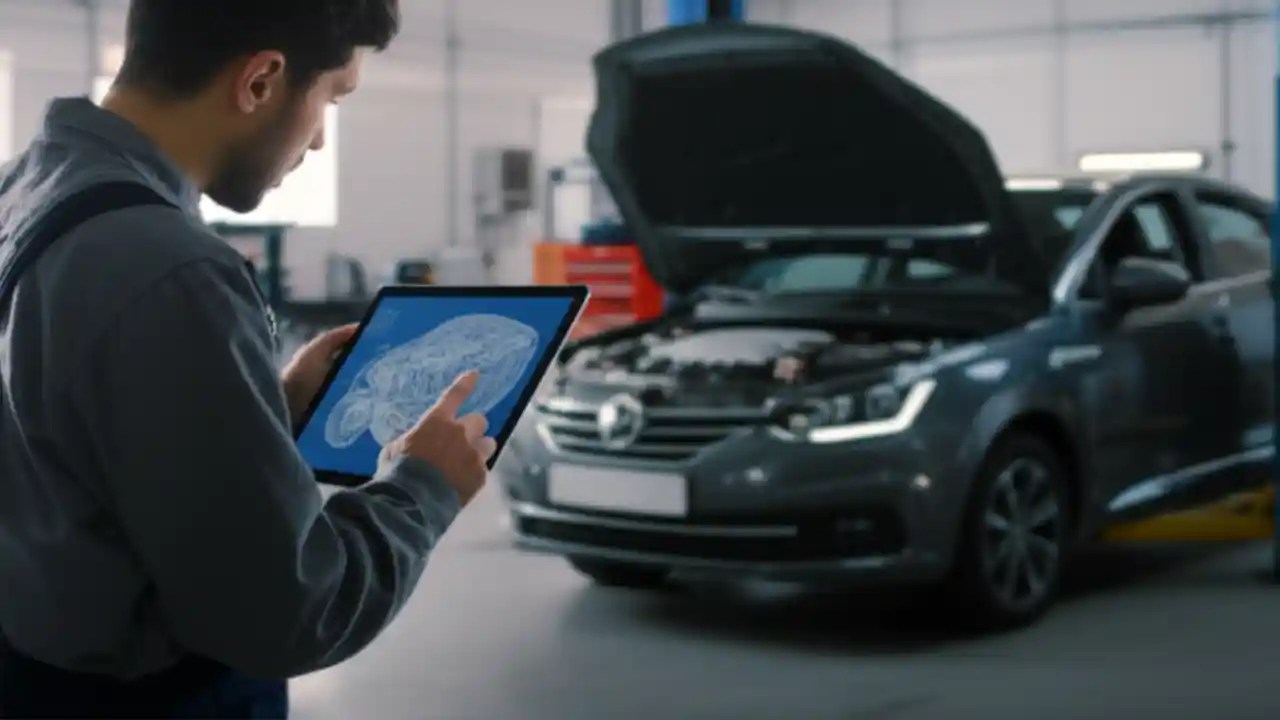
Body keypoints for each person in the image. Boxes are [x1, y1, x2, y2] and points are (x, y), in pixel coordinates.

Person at [0, 1, 493, 716]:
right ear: (260, 81)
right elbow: (289, 610)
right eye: (332, 97)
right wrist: (424, 487)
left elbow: (69, 442)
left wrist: (266, 406)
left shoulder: (27, 189)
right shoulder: (171, 268)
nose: (320, 139)